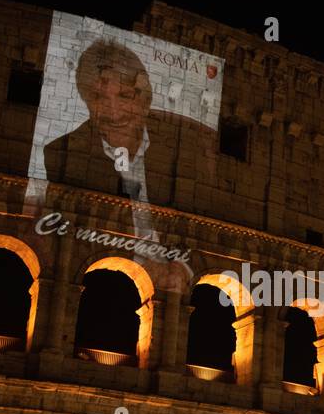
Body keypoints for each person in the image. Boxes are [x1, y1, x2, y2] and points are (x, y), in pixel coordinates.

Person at [40, 39, 213, 293]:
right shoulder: (54, 152)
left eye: (124, 95)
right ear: (86, 102)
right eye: (99, 96)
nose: (113, 109)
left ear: (145, 101)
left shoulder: (181, 154)